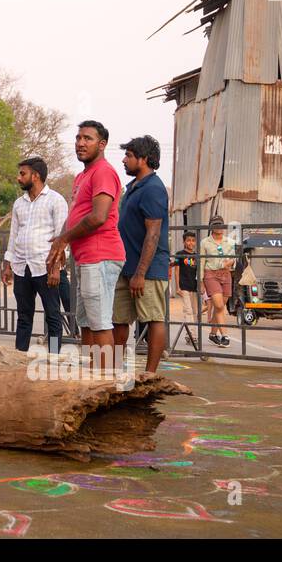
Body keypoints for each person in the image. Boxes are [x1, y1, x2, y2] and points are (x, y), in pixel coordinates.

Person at [46, 120, 124, 373]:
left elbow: (99, 217)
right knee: (87, 323)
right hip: (85, 257)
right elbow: (76, 215)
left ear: (102, 144)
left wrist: (64, 239)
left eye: (87, 138)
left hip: (101, 254)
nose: (80, 143)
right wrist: (59, 244)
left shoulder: (103, 171)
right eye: (78, 138)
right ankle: (91, 378)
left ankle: (107, 383)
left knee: (100, 322)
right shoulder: (82, 175)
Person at [112, 136, 169, 374]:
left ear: (143, 159)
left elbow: (153, 234)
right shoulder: (133, 188)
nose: (124, 160)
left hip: (148, 270)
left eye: (129, 156)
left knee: (153, 318)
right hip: (126, 267)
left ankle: (150, 375)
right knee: (118, 319)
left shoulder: (154, 188)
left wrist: (140, 274)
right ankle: (112, 370)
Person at [2, 156, 68, 354]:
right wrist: (8, 265)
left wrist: (56, 269)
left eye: (23, 174)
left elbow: (62, 238)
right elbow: (14, 235)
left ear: (36, 175)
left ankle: (54, 359)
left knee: (53, 316)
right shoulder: (19, 204)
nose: (18, 177)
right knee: (23, 316)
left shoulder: (56, 200)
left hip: (46, 268)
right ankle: (20, 358)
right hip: (22, 267)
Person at [198, 217, 236, 346]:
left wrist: (231, 262)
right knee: (219, 305)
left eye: (221, 224)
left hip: (226, 274)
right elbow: (201, 262)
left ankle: (213, 334)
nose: (219, 227)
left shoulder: (230, 242)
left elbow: (234, 258)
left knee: (220, 306)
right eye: (215, 224)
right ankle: (225, 335)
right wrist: (201, 282)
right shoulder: (204, 243)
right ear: (211, 227)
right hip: (211, 274)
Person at [172, 231, 200, 348]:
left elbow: (199, 272)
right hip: (184, 287)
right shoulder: (180, 254)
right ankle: (193, 336)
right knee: (188, 311)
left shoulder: (197, 256)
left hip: (194, 287)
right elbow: (176, 271)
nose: (191, 243)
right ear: (184, 242)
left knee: (194, 312)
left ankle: (189, 335)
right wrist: (177, 287)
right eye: (188, 240)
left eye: (193, 240)